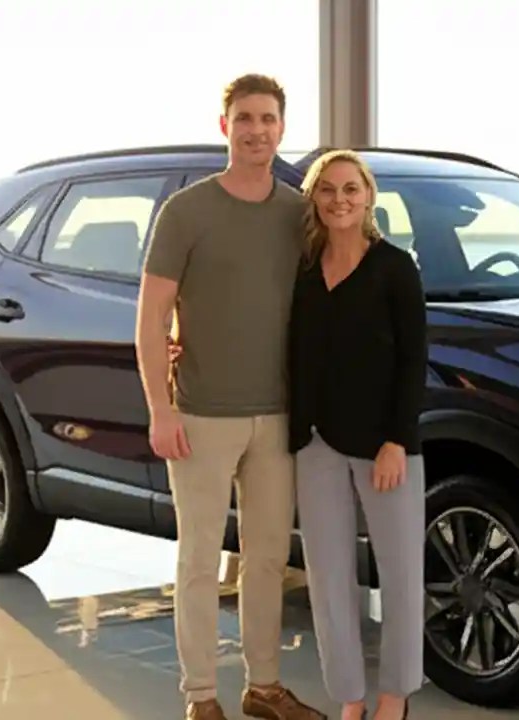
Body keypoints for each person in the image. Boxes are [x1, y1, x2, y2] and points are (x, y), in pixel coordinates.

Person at [136, 73, 326, 720]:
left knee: (269, 559)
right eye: (244, 118)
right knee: (197, 563)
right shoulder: (187, 212)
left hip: (277, 418)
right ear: (226, 127)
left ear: (282, 128)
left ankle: (263, 688)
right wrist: (160, 409)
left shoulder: (297, 214)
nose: (256, 131)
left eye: (268, 119)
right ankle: (200, 698)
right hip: (199, 416)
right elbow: (151, 316)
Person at [289, 149, 428, 720]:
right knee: (328, 581)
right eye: (328, 190)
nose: (339, 199)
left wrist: (396, 439)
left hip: (384, 447)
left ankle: (394, 698)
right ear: (314, 200)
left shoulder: (396, 268)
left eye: (351, 189)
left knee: (399, 577)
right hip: (316, 444)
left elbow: (413, 360)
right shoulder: (302, 269)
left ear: (369, 197)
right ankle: (349, 699)